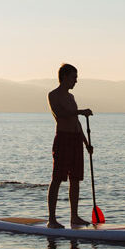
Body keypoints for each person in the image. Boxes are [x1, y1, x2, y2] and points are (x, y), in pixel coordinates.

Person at [46, 63, 94, 229]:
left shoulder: (71, 97)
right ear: (65, 77)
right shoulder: (53, 95)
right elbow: (61, 114)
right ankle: (51, 219)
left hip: (75, 139)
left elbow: (76, 122)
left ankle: (74, 217)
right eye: (74, 77)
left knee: (75, 179)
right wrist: (80, 111)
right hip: (63, 139)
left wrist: (86, 144)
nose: (76, 81)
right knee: (57, 178)